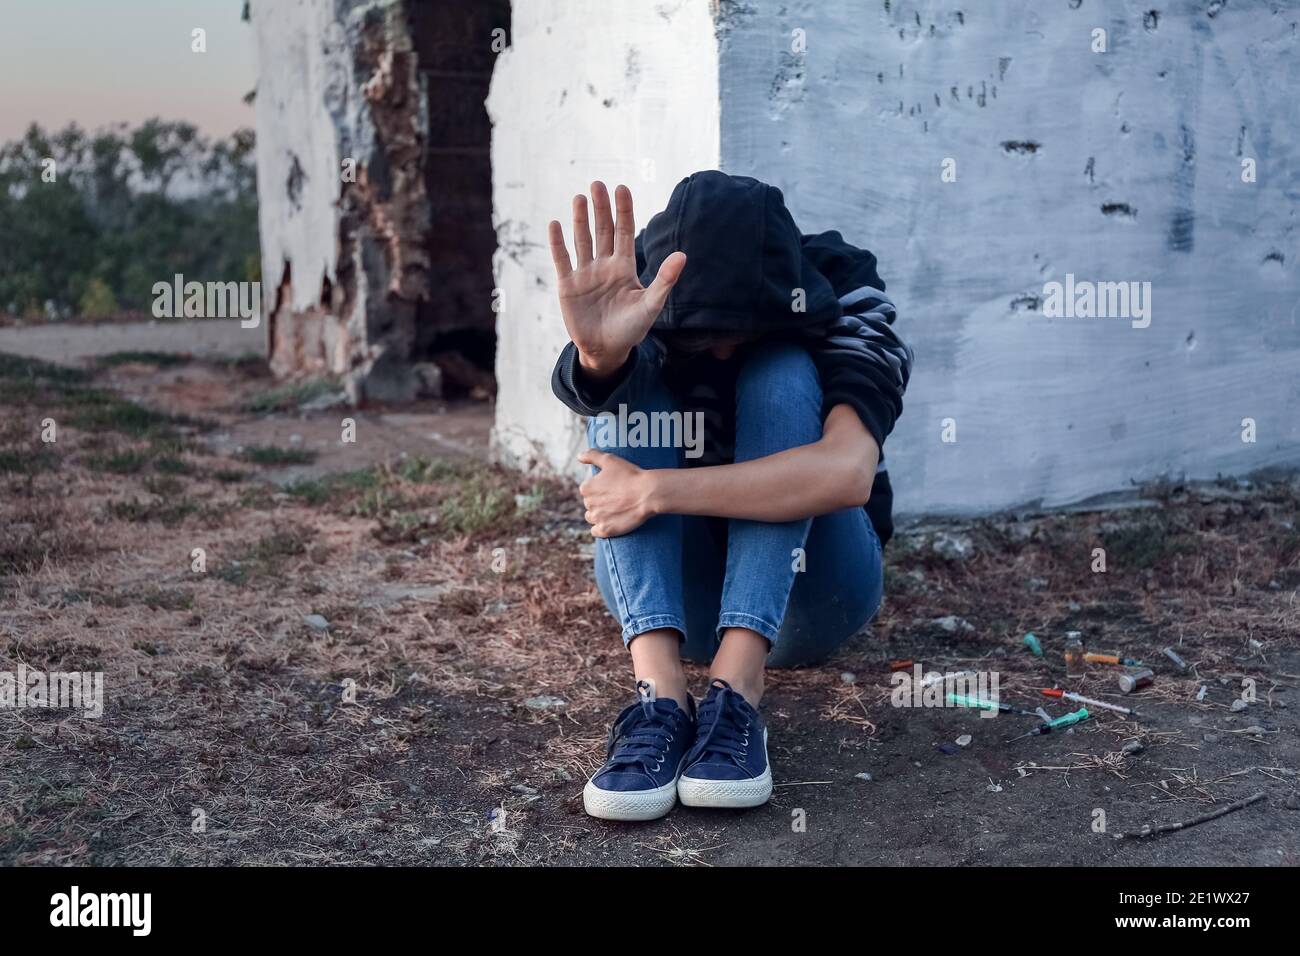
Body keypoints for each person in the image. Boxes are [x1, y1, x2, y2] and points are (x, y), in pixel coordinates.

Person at [547, 172, 913, 821]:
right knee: (626, 387)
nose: (717, 351)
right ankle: (660, 696)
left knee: (784, 369)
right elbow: (600, 394)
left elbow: (847, 472)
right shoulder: (636, 281)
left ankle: (739, 685)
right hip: (676, 603)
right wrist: (600, 356)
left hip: (811, 594)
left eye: (739, 330)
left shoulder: (841, 282)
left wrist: (655, 491)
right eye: (701, 334)